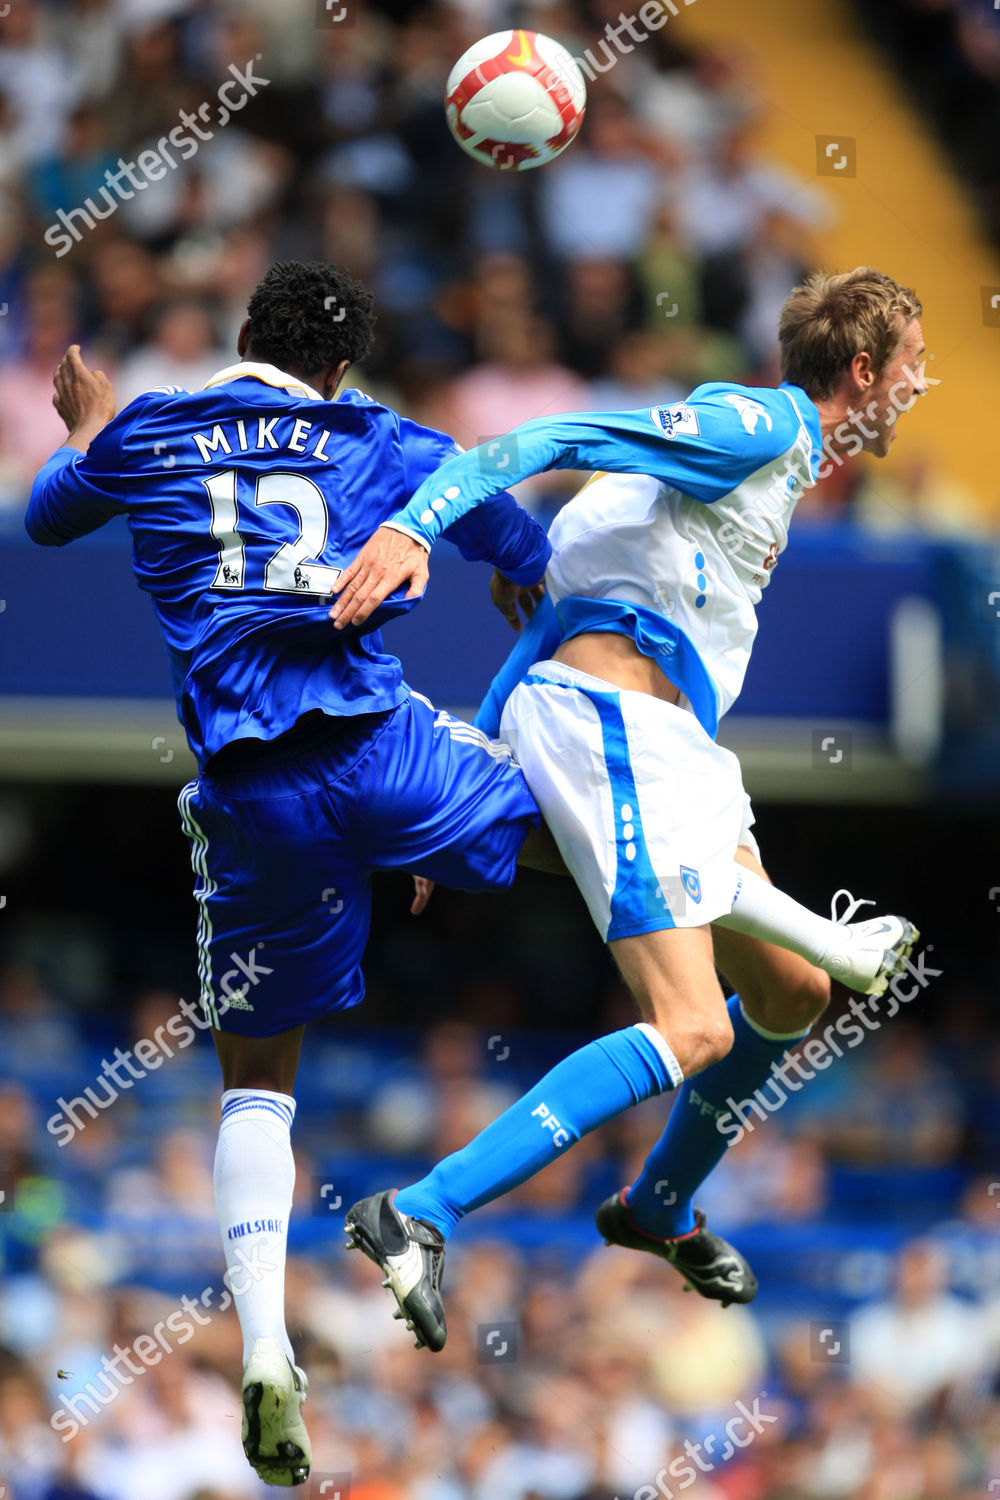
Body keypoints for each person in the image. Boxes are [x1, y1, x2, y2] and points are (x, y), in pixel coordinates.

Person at [25, 259, 559, 1489]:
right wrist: (499, 566)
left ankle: (265, 1344)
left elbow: (52, 513)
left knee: (259, 1076)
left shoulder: (155, 425)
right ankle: (757, 944)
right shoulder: (379, 433)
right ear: (339, 369)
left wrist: (89, 423)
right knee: (576, 832)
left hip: (254, 800)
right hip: (386, 755)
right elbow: (517, 534)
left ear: (244, 338)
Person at [336, 267, 925, 1354]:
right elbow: (546, 435)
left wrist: (464, 788)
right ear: (862, 371)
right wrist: (420, 526)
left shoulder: (711, 480)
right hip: (618, 730)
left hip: (670, 750)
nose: (922, 382)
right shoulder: (751, 423)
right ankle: (421, 1209)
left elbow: (545, 623)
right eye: (912, 363)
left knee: (789, 995)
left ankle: (654, 1207)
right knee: (696, 1027)